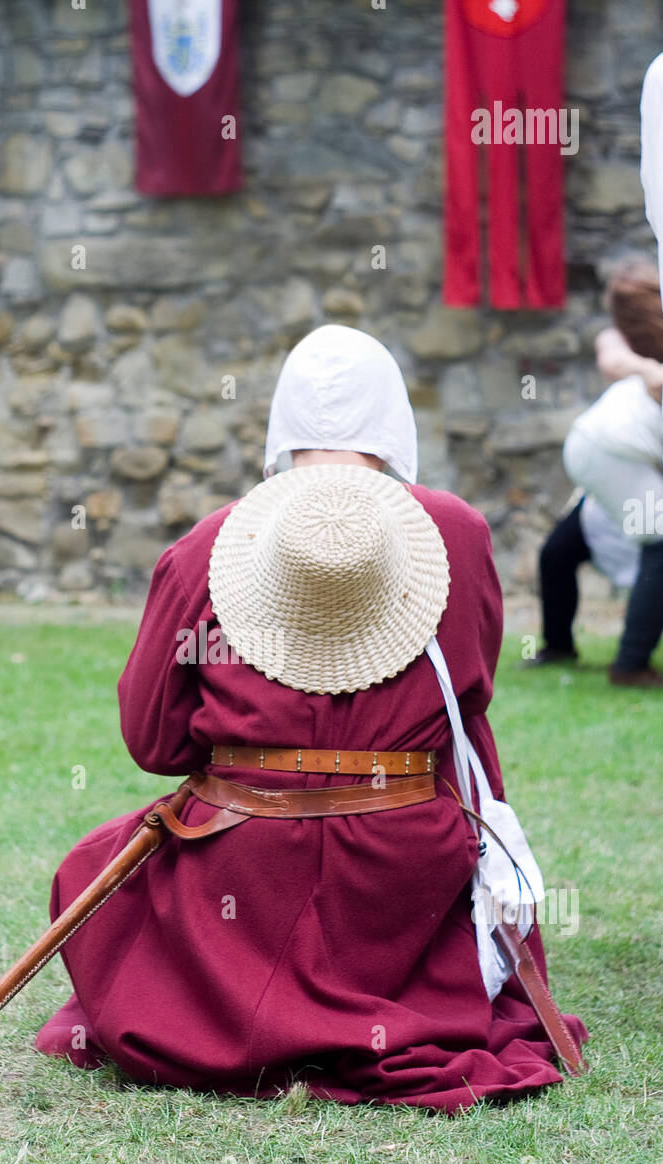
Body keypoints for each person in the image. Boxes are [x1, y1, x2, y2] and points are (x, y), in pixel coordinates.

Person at [34, 325, 586, 1114]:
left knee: (97, 870)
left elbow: (151, 740)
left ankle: (228, 1018)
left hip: (242, 866)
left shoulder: (203, 548)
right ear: (396, 422)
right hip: (405, 864)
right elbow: (468, 698)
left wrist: (248, 750)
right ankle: (373, 1011)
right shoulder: (457, 533)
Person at [528, 259, 663, 683]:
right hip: (614, 451)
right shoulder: (625, 344)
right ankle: (630, 665)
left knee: (560, 551)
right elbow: (612, 356)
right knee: (661, 542)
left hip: (609, 451)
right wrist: (649, 371)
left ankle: (561, 648)